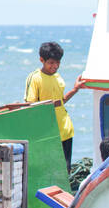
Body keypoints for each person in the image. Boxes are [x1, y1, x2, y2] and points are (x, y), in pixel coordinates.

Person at [25, 41, 85, 172]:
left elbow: (61, 101)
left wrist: (75, 89)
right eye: (51, 63)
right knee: (49, 170)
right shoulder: (35, 78)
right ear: (42, 60)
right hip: (47, 132)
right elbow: (30, 106)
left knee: (65, 170)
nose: (55, 66)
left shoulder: (58, 78)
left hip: (65, 130)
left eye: (58, 62)